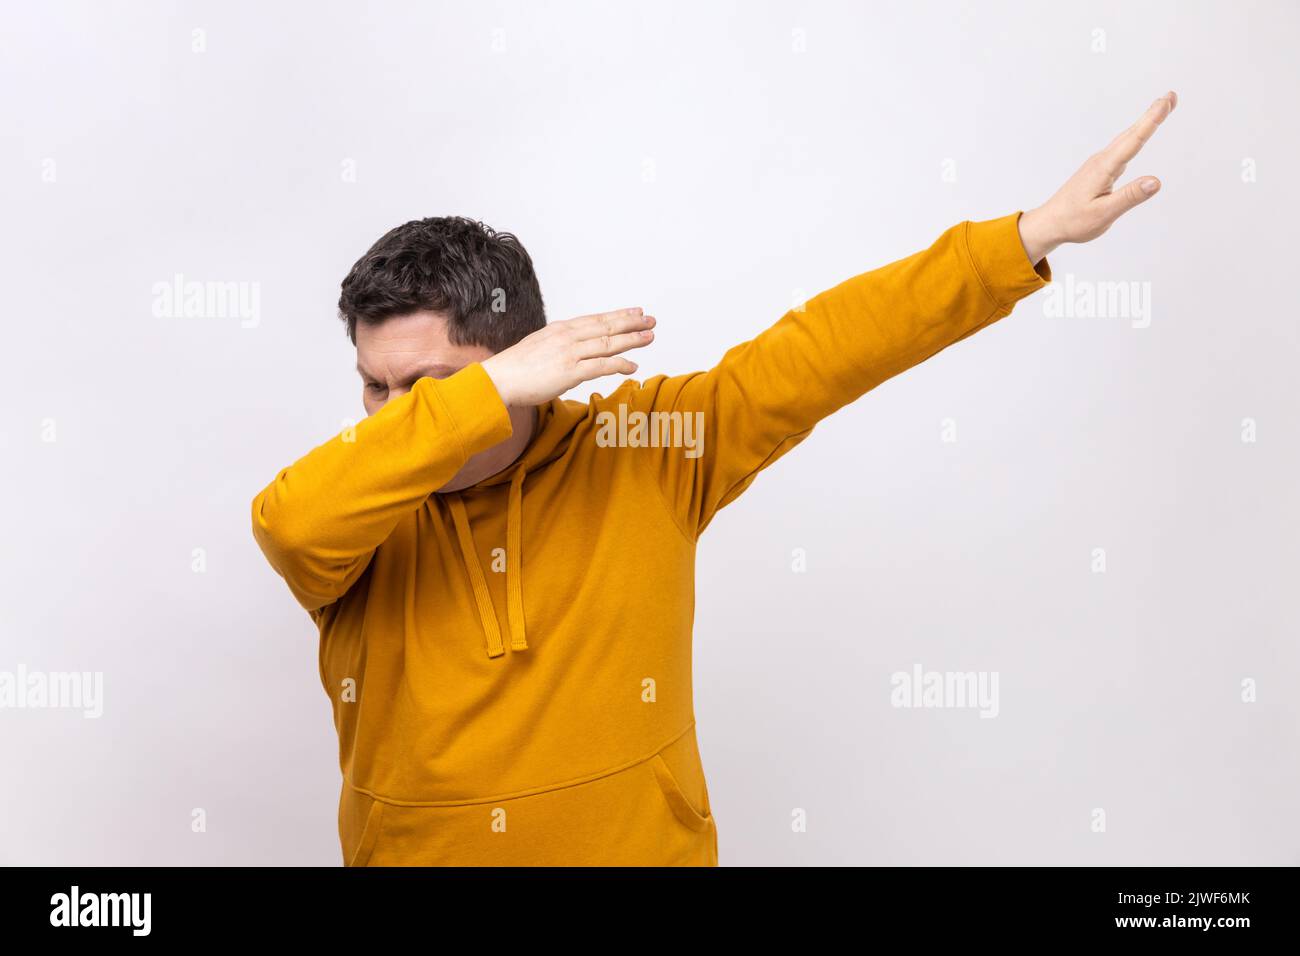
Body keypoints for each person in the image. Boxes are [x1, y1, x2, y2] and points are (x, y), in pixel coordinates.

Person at [251, 93, 1178, 866]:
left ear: (524, 360)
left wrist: (1022, 240)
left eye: (429, 390)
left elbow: (822, 351)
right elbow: (287, 526)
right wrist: (469, 401)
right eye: (376, 389)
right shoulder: (357, 506)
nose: (392, 416)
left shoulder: (648, 447)